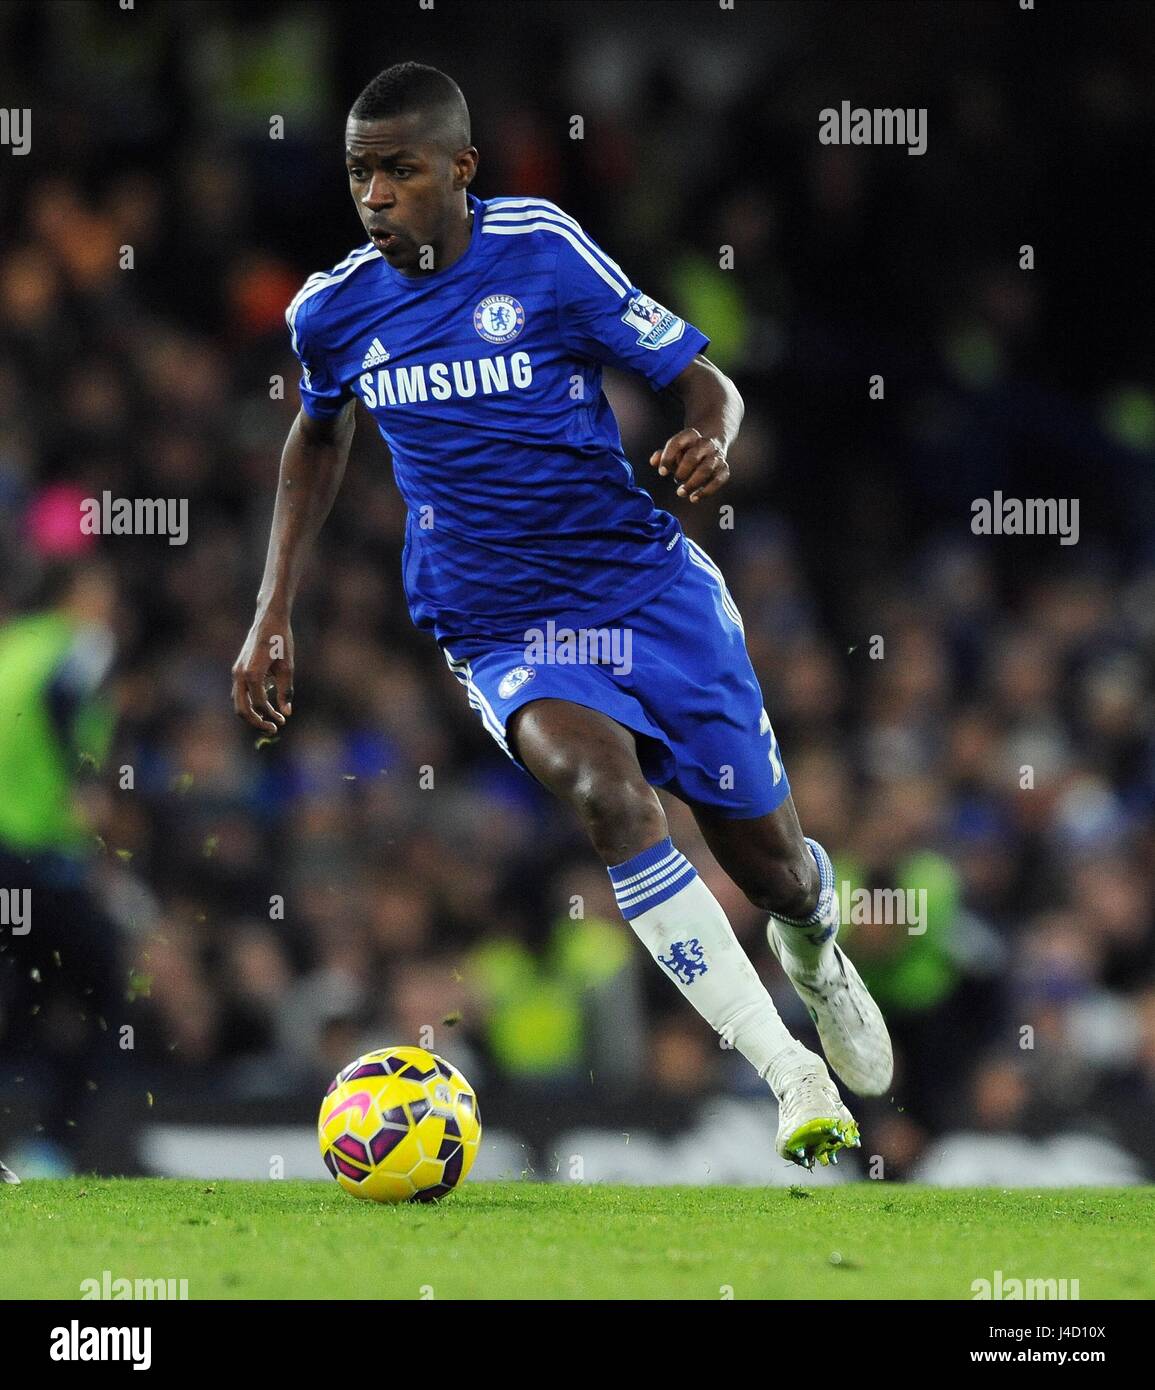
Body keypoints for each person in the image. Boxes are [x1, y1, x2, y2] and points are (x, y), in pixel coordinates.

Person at [232, 62, 893, 1168]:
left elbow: (704, 380)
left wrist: (712, 438)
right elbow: (318, 433)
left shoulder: (540, 249)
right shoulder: (333, 309)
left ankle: (817, 952)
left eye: (400, 170)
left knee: (772, 867)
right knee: (606, 794)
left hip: (646, 591)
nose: (377, 197)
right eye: (360, 175)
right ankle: (789, 1071)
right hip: (498, 625)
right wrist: (272, 609)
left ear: (460, 169)